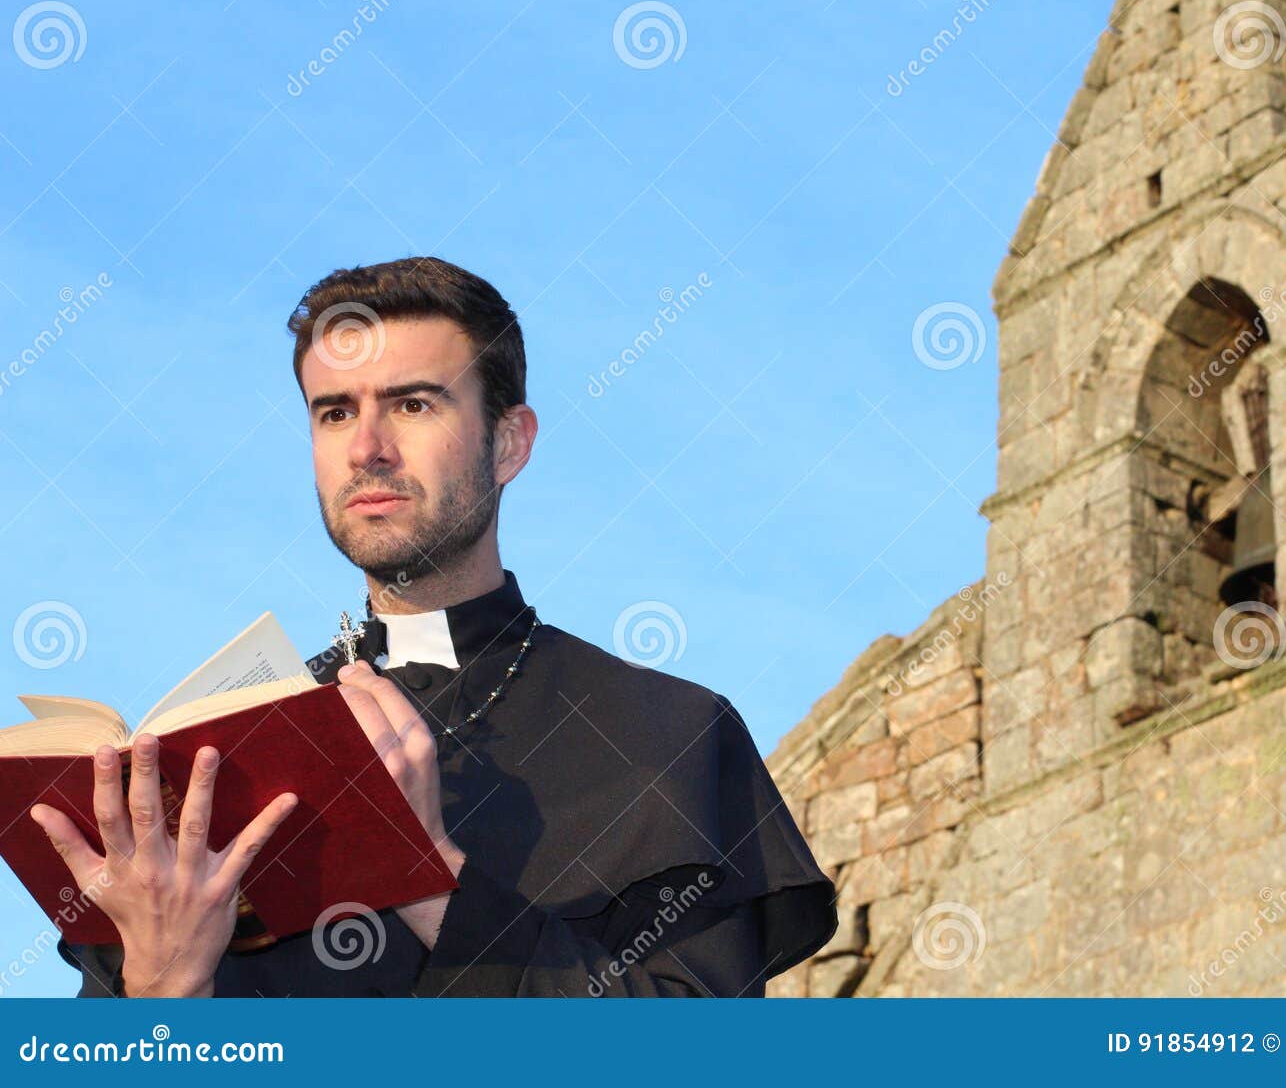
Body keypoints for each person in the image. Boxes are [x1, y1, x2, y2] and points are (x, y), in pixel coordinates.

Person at [36, 256, 837, 997]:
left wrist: (430, 879)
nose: (368, 449)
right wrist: (158, 994)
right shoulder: (220, 756)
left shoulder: (672, 735)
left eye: (414, 403)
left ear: (509, 442)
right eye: (335, 412)